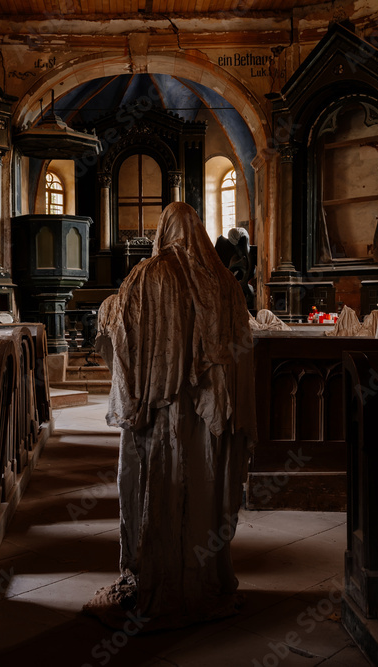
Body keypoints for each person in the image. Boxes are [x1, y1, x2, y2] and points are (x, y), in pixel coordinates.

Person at [85, 202, 257, 631]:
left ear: (163, 231)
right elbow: (241, 348)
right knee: (202, 489)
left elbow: (122, 329)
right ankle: (204, 578)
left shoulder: (148, 274)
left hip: (159, 415)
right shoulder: (224, 282)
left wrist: (107, 311)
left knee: (161, 488)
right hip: (208, 420)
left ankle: (159, 578)